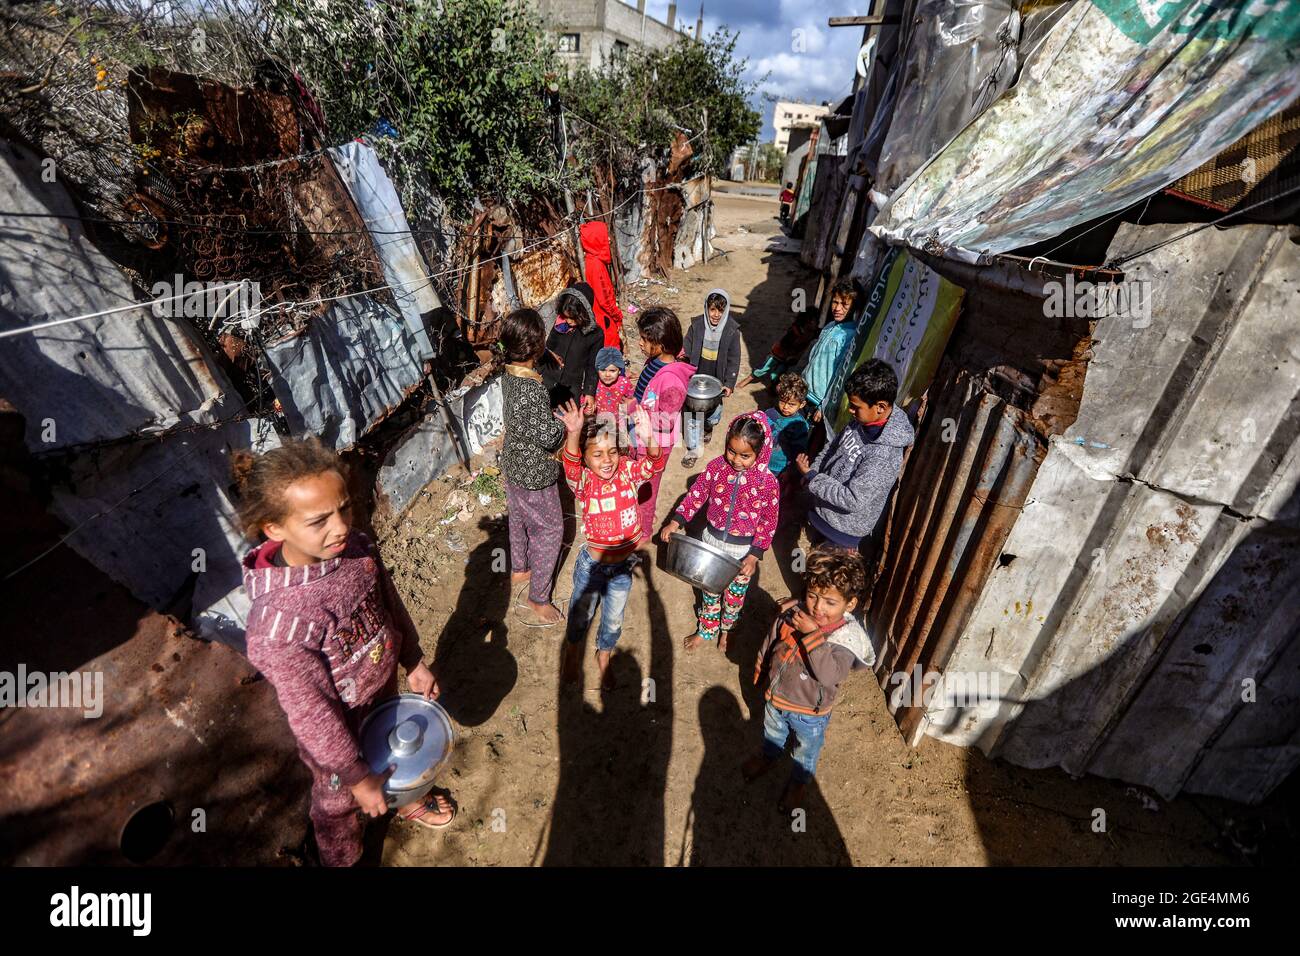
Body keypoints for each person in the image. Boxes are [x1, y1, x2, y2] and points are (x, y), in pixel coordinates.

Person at [236, 437, 455, 867]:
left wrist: (413, 659)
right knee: (338, 809)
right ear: (274, 528)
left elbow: (388, 601)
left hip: (383, 690)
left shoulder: (354, 547)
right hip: (338, 734)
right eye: (319, 521)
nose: (339, 526)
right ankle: (343, 860)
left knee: (397, 753)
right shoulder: (280, 625)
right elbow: (312, 714)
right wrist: (356, 778)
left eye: (344, 508)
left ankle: (402, 798)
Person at [744, 546, 875, 813]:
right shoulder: (796, 613)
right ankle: (769, 755)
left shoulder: (844, 640)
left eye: (830, 602)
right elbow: (771, 640)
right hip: (776, 696)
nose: (817, 607)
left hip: (809, 713)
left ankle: (799, 782)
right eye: (813, 595)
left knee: (806, 751)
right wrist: (761, 670)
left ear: (850, 604)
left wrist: (813, 635)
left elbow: (828, 675)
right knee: (773, 731)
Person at [556, 400, 666, 689]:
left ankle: (603, 654)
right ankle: (572, 651)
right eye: (597, 454)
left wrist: (648, 436)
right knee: (580, 616)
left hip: (621, 570)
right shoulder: (584, 482)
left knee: (613, 621)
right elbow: (569, 463)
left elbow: (655, 463)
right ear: (585, 458)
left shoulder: (628, 471)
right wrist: (573, 433)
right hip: (591, 567)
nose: (607, 460)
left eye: (612, 451)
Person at [660, 411, 779, 652]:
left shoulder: (767, 482)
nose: (736, 460)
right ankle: (707, 629)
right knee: (709, 589)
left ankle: (728, 630)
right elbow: (696, 494)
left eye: (745, 455)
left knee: (734, 597)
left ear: (761, 452)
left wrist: (754, 555)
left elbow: (769, 520)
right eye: (732, 451)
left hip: (742, 553)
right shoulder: (717, 467)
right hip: (711, 543)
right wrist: (676, 521)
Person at [794, 359, 914, 563]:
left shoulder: (883, 456)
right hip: (823, 513)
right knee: (814, 567)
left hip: (842, 531)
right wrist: (813, 473)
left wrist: (813, 477)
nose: (850, 410)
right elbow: (833, 447)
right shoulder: (862, 420)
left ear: (880, 407)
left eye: (856, 406)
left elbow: (852, 499)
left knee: (826, 580)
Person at [499, 308, 567, 626]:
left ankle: (520, 568)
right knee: (551, 529)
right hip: (535, 472)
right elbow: (548, 438)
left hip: (512, 463)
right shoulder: (532, 390)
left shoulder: (509, 374)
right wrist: (565, 425)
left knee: (519, 518)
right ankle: (539, 597)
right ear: (537, 346)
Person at [632, 307, 696, 537]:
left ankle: (644, 532)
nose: (640, 343)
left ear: (661, 343)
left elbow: (666, 421)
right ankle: (640, 518)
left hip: (653, 445)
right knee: (637, 486)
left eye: (644, 339)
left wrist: (641, 417)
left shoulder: (671, 381)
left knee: (646, 492)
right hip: (640, 436)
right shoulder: (655, 363)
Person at [681, 288, 741, 468]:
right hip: (695, 378)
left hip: (717, 380)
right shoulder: (697, 326)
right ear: (706, 308)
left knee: (713, 415)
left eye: (720, 310)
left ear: (726, 310)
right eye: (712, 309)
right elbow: (686, 350)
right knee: (691, 415)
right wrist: (682, 369)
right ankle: (693, 450)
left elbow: (734, 359)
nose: (716, 315)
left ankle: (708, 426)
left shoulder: (731, 331)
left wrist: (729, 383)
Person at [801, 278, 859, 424]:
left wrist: (824, 405)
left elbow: (841, 373)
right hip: (804, 391)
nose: (837, 308)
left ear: (854, 307)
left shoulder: (850, 335)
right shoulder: (829, 326)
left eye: (844, 304)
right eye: (835, 302)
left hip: (819, 402)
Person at [539, 282, 601, 413]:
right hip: (548, 381)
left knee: (567, 424)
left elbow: (592, 365)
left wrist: (589, 392)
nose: (568, 321)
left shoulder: (595, 334)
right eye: (565, 316)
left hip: (571, 389)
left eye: (572, 318)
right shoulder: (559, 325)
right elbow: (548, 348)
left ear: (584, 313)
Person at [764, 372, 811, 496]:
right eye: (782, 401)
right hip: (762, 462)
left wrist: (790, 471)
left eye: (791, 404)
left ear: (802, 404)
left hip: (779, 469)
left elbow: (799, 453)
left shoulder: (799, 425)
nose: (785, 407)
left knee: (773, 494)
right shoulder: (769, 413)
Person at [580, 220, 625, 349]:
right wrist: (617, 315)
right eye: (605, 236)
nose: (609, 240)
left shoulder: (590, 260)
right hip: (603, 316)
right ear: (596, 240)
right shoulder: (597, 266)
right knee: (610, 347)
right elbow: (605, 298)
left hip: (597, 314)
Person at [593, 345, 636, 452]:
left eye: (612, 370)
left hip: (620, 425)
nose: (607, 374)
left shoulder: (624, 383)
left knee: (621, 450)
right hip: (599, 423)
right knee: (601, 448)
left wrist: (630, 407)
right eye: (602, 370)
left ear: (619, 370)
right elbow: (586, 399)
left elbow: (633, 400)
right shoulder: (594, 383)